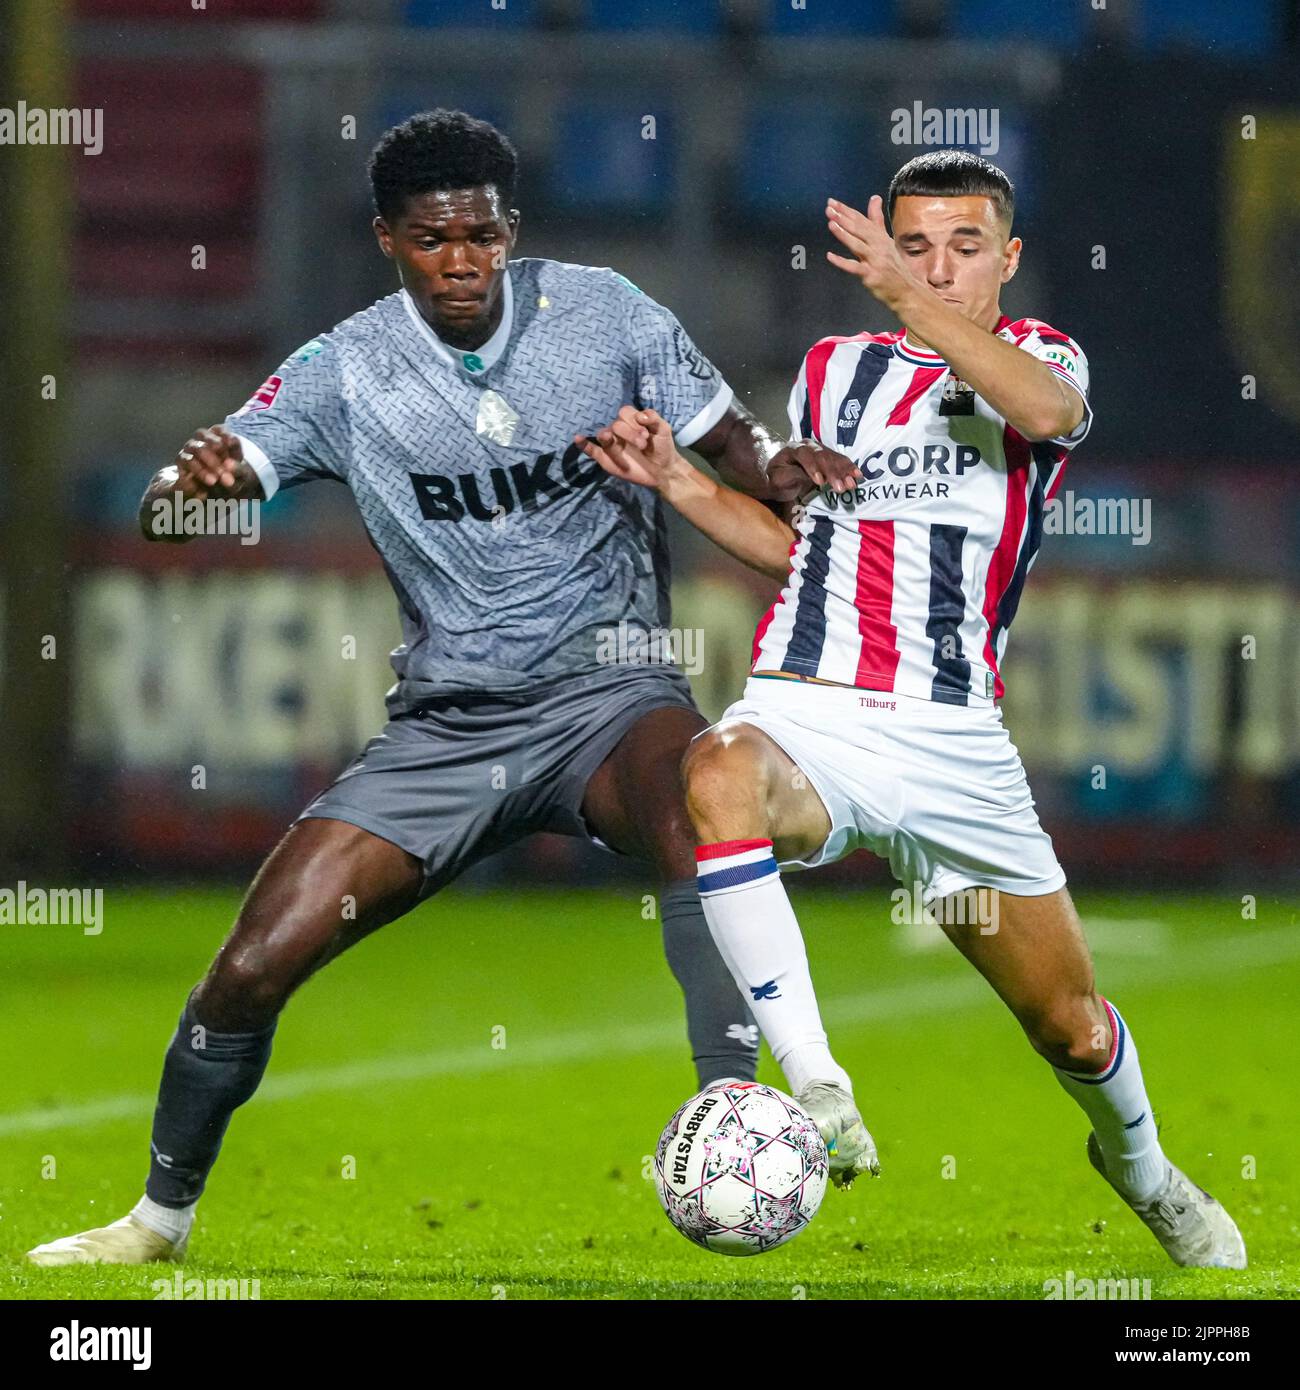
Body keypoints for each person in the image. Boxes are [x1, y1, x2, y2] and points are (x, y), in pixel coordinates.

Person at [27, 109, 853, 1267]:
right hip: (447, 729)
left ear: (509, 230)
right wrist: (187, 486)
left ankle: (732, 1111)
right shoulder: (345, 369)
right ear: (386, 240)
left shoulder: (608, 315)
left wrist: (788, 471)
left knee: (698, 819)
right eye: (431, 240)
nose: (459, 261)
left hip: (608, 699)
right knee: (256, 962)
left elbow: (739, 453)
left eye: (479, 235)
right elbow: (188, 498)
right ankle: (157, 1220)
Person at [576, 151, 1246, 1268]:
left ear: (1009, 258)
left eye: (963, 247)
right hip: (812, 710)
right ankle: (817, 1081)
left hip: (951, 745)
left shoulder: (1036, 358)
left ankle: (1143, 1170)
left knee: (1070, 1026)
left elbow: (1049, 412)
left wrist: (905, 292)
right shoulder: (831, 372)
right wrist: (686, 485)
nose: (938, 266)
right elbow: (806, 551)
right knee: (717, 773)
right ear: (885, 238)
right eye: (915, 243)